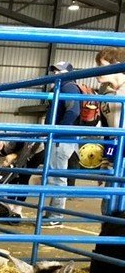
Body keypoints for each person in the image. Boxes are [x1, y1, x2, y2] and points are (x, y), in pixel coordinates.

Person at [44, 61, 81, 227]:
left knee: (57, 176)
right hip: (60, 138)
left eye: (59, 71)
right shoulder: (60, 87)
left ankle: (56, 215)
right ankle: (52, 212)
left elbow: (73, 111)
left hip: (61, 139)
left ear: (67, 72)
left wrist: (57, 131)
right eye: (54, 70)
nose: (55, 73)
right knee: (53, 175)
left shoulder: (68, 87)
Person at [95, 47, 125, 129]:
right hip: (114, 140)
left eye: (101, 65)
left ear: (116, 65)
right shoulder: (105, 93)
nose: (97, 69)